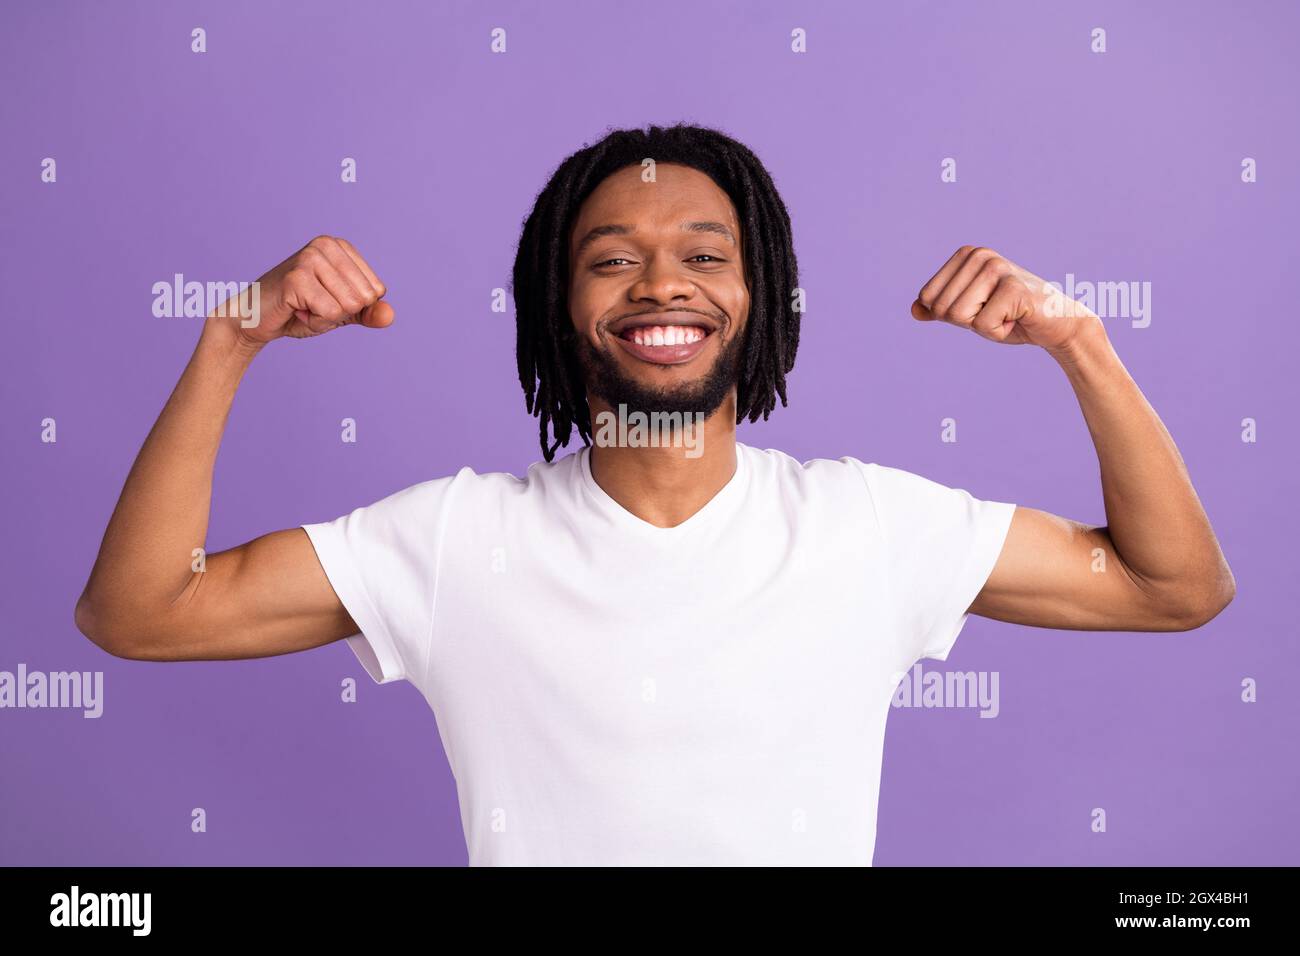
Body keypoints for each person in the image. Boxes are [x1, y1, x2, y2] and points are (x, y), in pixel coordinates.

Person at [74, 123, 1235, 866]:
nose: (661, 281)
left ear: (760, 294)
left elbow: (1171, 585)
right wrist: (229, 340)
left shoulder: (871, 528)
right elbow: (140, 613)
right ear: (556, 307)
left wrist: (1080, 340)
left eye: (705, 252)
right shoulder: (449, 540)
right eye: (612, 256)